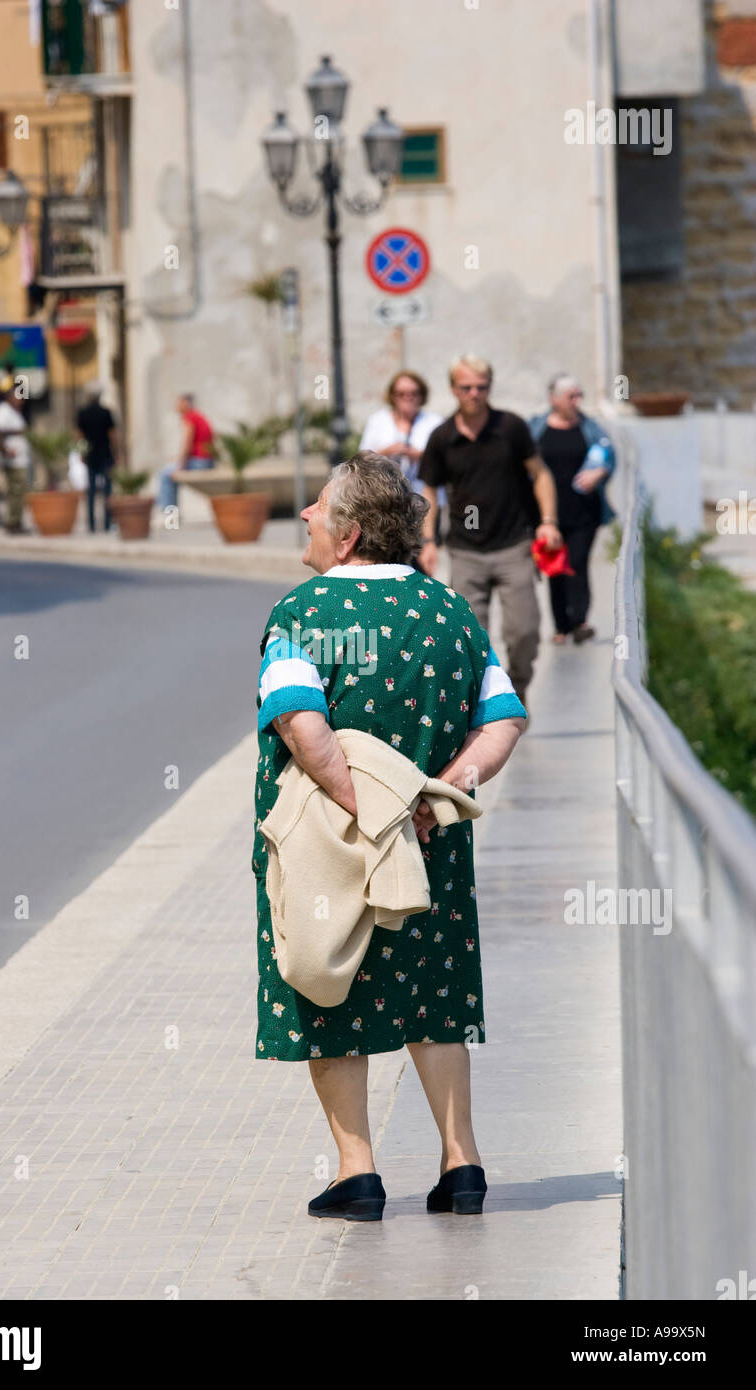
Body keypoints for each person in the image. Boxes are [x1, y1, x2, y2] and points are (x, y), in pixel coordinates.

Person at [253, 452, 526, 1221]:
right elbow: (503, 717)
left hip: (328, 851)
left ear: (350, 536)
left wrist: (363, 808)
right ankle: (460, 1164)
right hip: (428, 850)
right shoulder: (449, 611)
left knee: (328, 983)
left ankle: (357, 1170)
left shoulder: (301, 614)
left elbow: (304, 725)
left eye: (317, 507)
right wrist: (436, 800)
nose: (304, 516)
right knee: (433, 999)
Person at [417, 355, 562, 712]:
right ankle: (487, 702)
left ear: (489, 388)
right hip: (466, 549)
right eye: (466, 387)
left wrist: (549, 521)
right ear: (453, 390)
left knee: (524, 630)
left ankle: (518, 684)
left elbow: (541, 474)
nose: (474, 394)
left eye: (481, 387)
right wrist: (428, 540)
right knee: (469, 637)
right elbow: (429, 491)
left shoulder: (510, 428)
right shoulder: (442, 438)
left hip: (514, 544)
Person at [528, 375, 616, 645]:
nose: (577, 401)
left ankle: (580, 621)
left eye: (579, 396)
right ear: (554, 399)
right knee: (555, 566)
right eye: (571, 396)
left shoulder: (590, 428)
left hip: (583, 512)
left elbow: (610, 457)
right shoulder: (536, 428)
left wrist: (601, 471)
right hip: (547, 513)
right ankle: (560, 626)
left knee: (577, 563)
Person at [359, 371, 446, 539]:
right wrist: (386, 452)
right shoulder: (378, 421)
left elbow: (445, 459)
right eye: (402, 394)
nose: (408, 398)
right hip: (386, 501)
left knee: (423, 552)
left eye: (414, 393)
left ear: (422, 396)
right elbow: (362, 458)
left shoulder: (433, 422)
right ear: (392, 396)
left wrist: (420, 455)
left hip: (424, 501)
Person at [156, 393, 215, 511]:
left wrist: (180, 467)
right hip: (206, 461)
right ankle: (166, 510)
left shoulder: (190, 417)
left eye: (178, 403)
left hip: (199, 463)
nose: (176, 406)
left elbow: (187, 444)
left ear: (186, 403)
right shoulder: (199, 416)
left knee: (166, 475)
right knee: (168, 473)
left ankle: (170, 518)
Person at [76, 381, 120, 532]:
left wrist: (82, 453)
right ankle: (107, 523)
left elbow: (79, 436)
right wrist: (116, 453)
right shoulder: (106, 412)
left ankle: (92, 524)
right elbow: (112, 435)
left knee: (92, 490)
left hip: (90, 455)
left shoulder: (82, 413)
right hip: (105, 454)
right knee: (107, 490)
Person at [0, 384, 31, 534]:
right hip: (13, 460)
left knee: (18, 491)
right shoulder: (3, 411)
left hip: (20, 459)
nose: (21, 400)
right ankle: (13, 522)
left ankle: (16, 520)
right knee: (15, 490)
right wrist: (5, 450)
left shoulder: (14, 412)